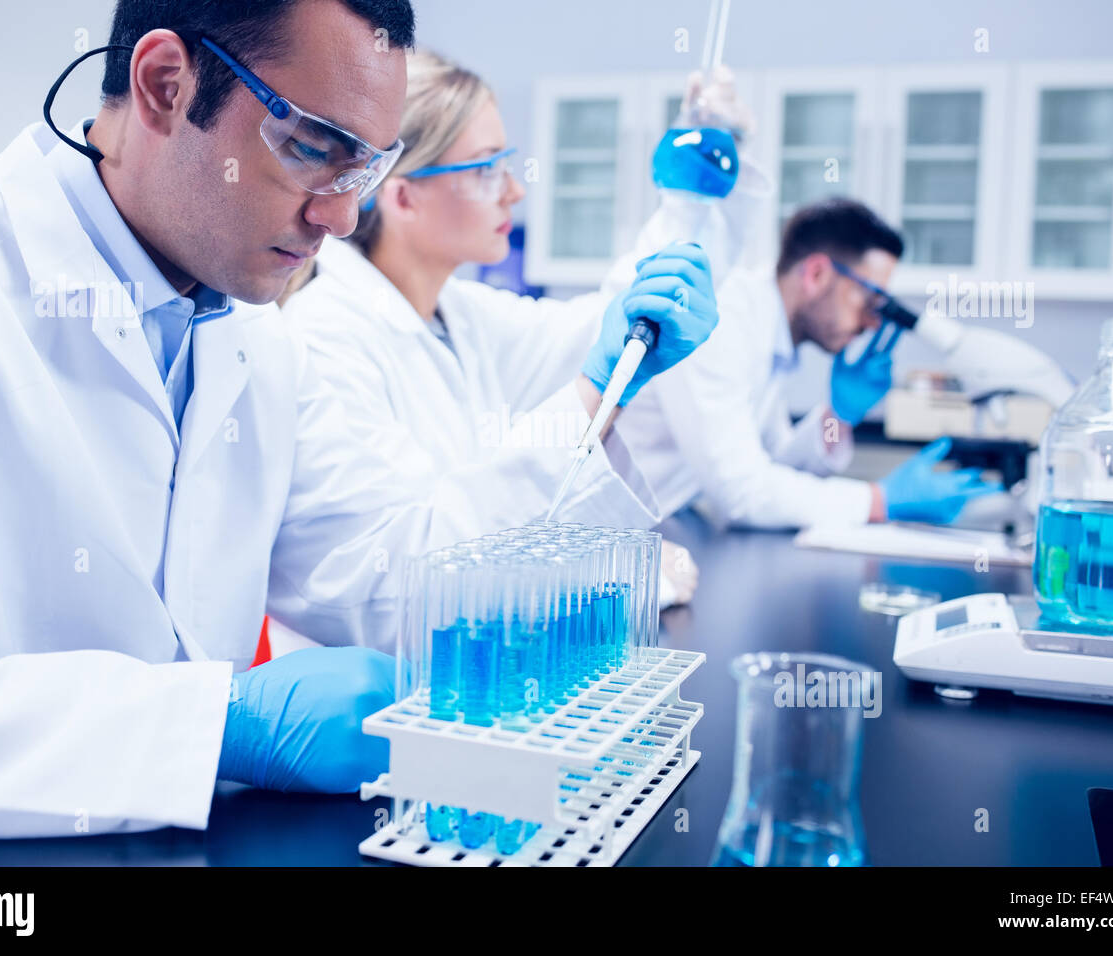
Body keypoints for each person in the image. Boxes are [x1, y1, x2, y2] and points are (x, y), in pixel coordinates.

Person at [0, 0, 719, 847]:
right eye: (315, 147)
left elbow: (380, 581)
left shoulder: (253, 336)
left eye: (368, 165)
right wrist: (217, 727)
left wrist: (611, 386)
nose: (345, 216)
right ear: (166, 85)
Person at [280, 54, 765, 641]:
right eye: (486, 169)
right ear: (401, 197)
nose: (513, 191)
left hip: (469, 665)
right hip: (381, 696)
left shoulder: (463, 317)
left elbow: (624, 310)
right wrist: (597, 390)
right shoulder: (325, 337)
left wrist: (696, 192)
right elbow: (393, 587)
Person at [617, 198, 1003, 529]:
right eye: (869, 301)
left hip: (667, 525)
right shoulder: (724, 319)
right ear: (817, 274)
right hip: (614, 536)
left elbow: (775, 467)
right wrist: (878, 501)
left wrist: (839, 419)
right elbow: (743, 493)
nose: (872, 323)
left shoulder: (775, 341)